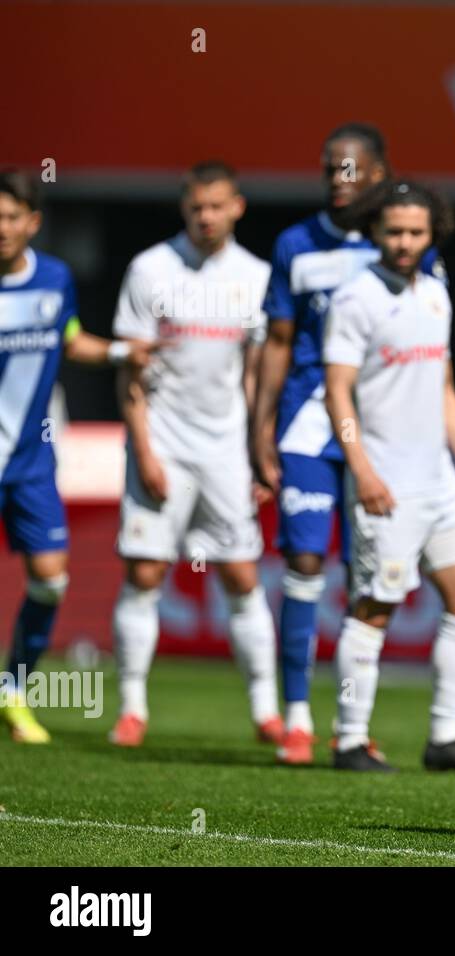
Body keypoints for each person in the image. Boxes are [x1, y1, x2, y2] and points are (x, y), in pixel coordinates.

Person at [322, 181, 455, 773]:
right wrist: (361, 469)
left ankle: (444, 739)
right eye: (393, 231)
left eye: (415, 232)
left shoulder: (435, 294)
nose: (403, 242)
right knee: (375, 607)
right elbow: (337, 392)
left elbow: (444, 388)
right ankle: (350, 739)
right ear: (376, 231)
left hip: (441, 485)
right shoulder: (354, 298)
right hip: (385, 485)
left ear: (432, 235)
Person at [108, 161, 279, 748]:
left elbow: (257, 376)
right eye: (196, 207)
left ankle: (266, 712)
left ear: (237, 207)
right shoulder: (150, 269)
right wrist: (144, 450)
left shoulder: (257, 276)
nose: (205, 216)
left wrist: (260, 450)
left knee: (240, 573)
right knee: (146, 571)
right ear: (185, 209)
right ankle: (132, 708)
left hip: (227, 451)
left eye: (216, 206)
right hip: (163, 445)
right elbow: (129, 368)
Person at [0, 168, 152, 744]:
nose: (2, 228)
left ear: (33, 223)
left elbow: (69, 338)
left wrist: (119, 351)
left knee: (50, 580)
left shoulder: (55, 278)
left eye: (12, 217)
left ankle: (12, 691)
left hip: (31, 461)